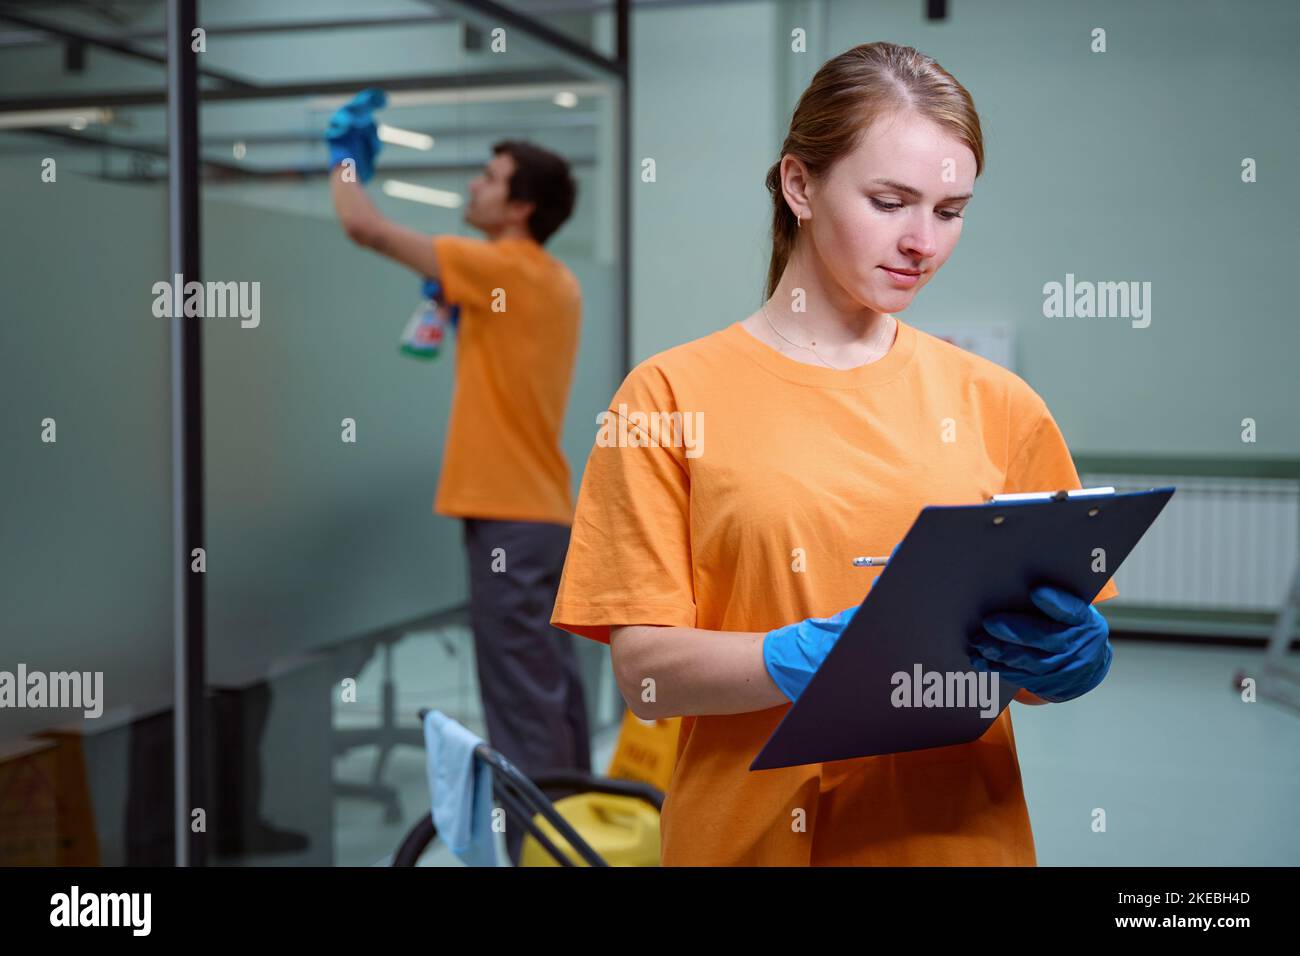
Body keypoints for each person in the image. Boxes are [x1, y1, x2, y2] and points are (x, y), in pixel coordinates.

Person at [550, 42, 1119, 866]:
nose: (922, 241)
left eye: (950, 211)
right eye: (890, 201)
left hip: (953, 839)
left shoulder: (998, 406)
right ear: (800, 185)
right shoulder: (667, 398)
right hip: (749, 838)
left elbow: (1026, 662)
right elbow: (643, 677)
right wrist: (807, 656)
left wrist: (1062, 657)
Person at [324, 91, 590, 863]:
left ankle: (539, 854)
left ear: (521, 205)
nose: (474, 184)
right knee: (553, 692)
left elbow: (362, 224)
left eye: (490, 175)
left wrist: (345, 160)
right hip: (543, 515)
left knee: (520, 703)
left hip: (508, 516)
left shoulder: (498, 266)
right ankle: (582, 835)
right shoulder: (550, 280)